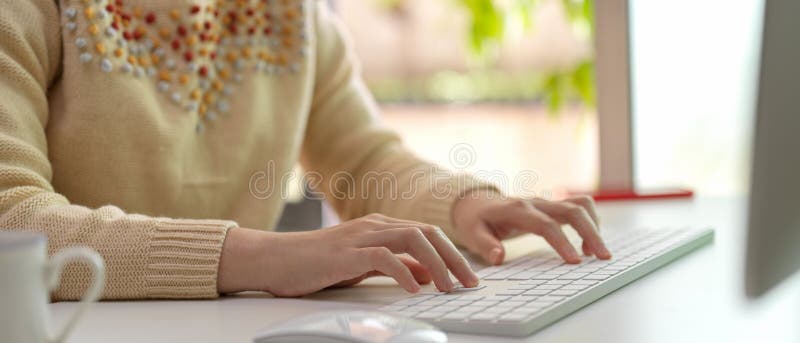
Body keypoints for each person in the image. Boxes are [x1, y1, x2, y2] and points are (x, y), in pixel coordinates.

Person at [0, 0, 610, 300]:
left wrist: (462, 205)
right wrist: (261, 258)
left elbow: (365, 160)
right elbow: (11, 218)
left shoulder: (295, 16)